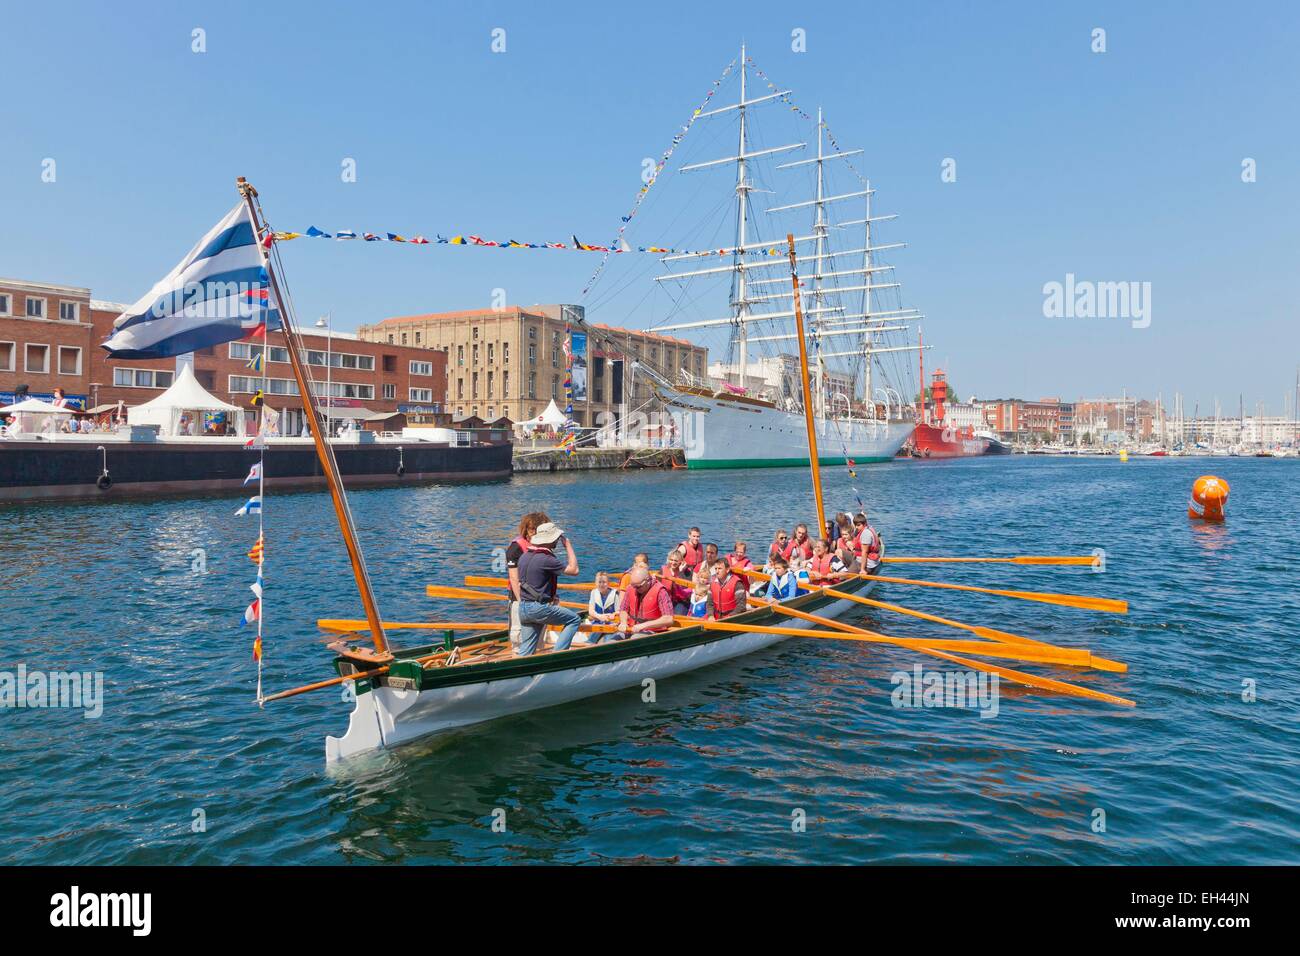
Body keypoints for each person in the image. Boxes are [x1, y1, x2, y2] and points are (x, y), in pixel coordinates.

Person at [515, 522, 581, 655]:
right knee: (574, 619)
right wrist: (568, 546)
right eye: (556, 538)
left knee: (526, 652)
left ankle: (522, 673)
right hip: (538, 608)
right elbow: (574, 570)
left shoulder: (524, 557)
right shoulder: (546, 559)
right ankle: (558, 656)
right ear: (550, 539)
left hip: (522, 607)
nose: (557, 540)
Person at [506, 511, 550, 653]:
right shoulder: (515, 548)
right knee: (519, 640)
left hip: (540, 601)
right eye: (533, 530)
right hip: (521, 601)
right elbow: (514, 578)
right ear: (527, 530)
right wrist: (521, 602)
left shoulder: (543, 547)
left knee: (539, 640)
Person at [618, 565, 675, 637]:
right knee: (612, 641)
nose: (635, 589)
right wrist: (623, 622)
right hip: (630, 628)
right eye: (634, 586)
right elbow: (623, 609)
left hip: (652, 631)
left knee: (635, 638)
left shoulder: (661, 592)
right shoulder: (630, 588)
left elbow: (669, 619)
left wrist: (643, 626)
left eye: (638, 587)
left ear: (648, 580)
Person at [661, 548, 692, 616]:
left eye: (676, 561)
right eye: (671, 560)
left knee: (677, 615)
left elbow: (686, 590)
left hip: (681, 601)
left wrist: (681, 572)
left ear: (681, 561)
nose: (673, 562)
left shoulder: (687, 572)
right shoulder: (663, 570)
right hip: (666, 600)